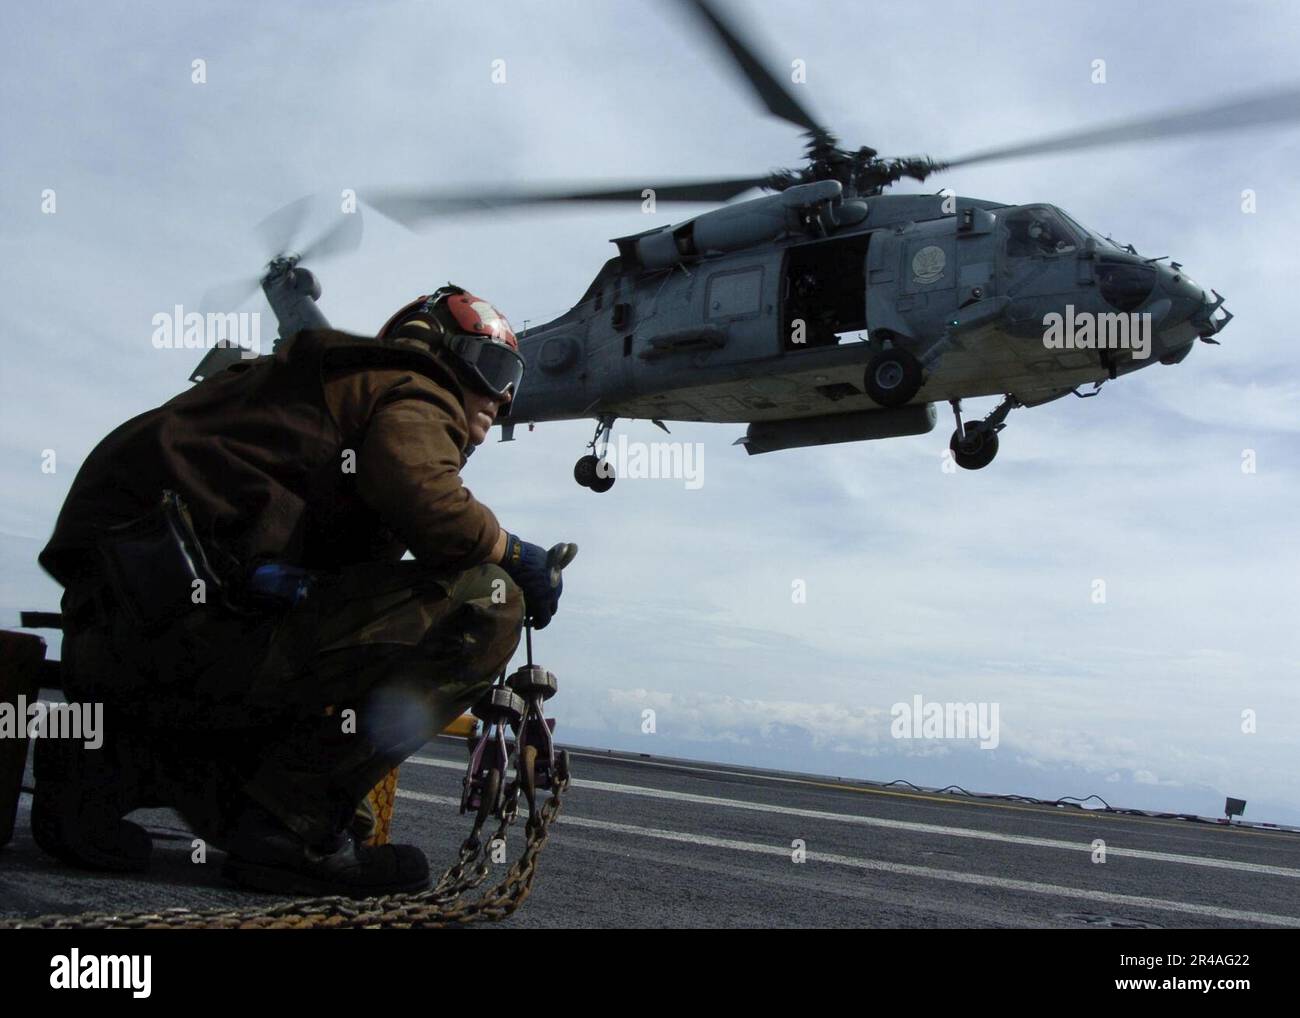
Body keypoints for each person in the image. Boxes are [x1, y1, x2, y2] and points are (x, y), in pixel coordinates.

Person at [33, 284, 565, 896]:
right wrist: (513, 553)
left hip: (117, 656)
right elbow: (424, 496)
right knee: (489, 600)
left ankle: (99, 774)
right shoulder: (414, 382)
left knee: (355, 822)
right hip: (208, 647)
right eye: (495, 369)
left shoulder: (287, 388)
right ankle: (287, 824)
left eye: (514, 381)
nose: (502, 398)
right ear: (436, 349)